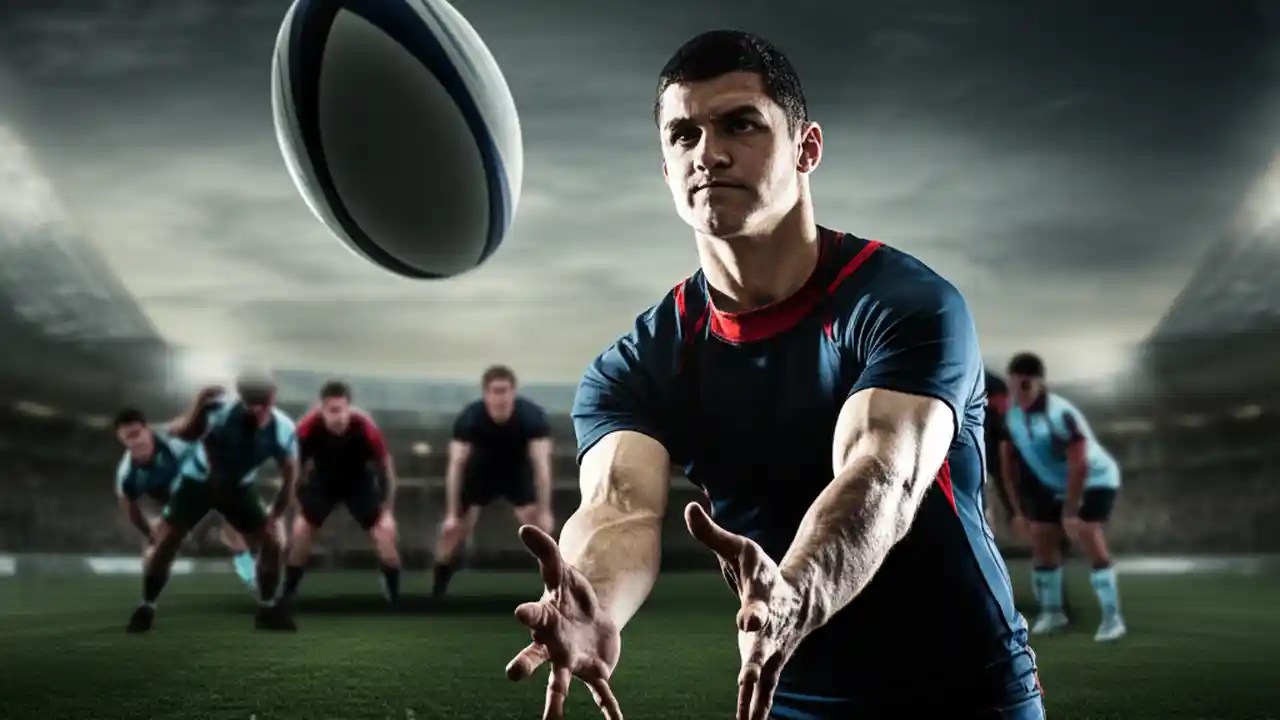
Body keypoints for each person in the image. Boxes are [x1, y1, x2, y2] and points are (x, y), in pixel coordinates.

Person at [502, 30, 1044, 720]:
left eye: (741, 124)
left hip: (966, 694)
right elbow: (618, 506)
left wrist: (798, 589)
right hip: (781, 694)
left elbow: (883, 475)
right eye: (683, 136)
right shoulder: (636, 364)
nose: (709, 154)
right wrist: (591, 599)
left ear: (807, 148)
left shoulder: (906, 303)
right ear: (666, 170)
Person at [125, 372, 300, 634]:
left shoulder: (283, 430)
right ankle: (146, 606)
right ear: (241, 398)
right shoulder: (218, 411)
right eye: (248, 401)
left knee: (271, 544)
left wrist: (275, 514)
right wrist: (198, 404)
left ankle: (267, 609)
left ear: (272, 399)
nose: (254, 409)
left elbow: (289, 479)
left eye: (261, 403)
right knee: (170, 539)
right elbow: (186, 433)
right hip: (199, 481)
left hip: (238, 487)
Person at [1001, 352, 1126, 642]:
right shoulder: (1013, 416)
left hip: (1095, 478)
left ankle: (1112, 618)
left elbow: (1079, 463)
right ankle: (1053, 612)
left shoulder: (1060, 414)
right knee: (1042, 538)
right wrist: (1018, 511)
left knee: (1085, 529)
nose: (1019, 394)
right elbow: (1007, 465)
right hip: (1054, 483)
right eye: (1014, 386)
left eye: (1025, 387)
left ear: (1040, 384)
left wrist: (1070, 510)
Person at [432, 365, 554, 599]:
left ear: (514, 391)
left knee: (539, 529)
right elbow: (455, 466)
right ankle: (438, 589)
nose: (501, 398)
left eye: (505, 391)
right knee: (453, 530)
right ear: (485, 393)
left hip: (516, 472)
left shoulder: (532, 417)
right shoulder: (469, 418)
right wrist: (451, 512)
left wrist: (545, 511)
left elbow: (542, 467)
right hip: (480, 472)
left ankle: (558, 589)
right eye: (495, 391)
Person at [282, 380, 402, 606]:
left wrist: (387, 509)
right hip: (323, 482)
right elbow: (293, 470)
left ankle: (393, 592)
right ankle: (288, 591)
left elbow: (386, 468)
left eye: (343, 410)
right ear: (322, 409)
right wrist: (297, 506)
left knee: (385, 532)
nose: (340, 417)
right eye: (333, 411)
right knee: (301, 531)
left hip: (358, 482)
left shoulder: (365, 427)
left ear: (350, 408)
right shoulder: (307, 428)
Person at [113, 406, 256, 589]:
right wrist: (149, 534)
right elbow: (130, 509)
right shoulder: (126, 474)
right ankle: (151, 594)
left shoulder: (176, 438)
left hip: (200, 489)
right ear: (122, 440)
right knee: (152, 554)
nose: (135, 442)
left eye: (137, 433)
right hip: (168, 504)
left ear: (148, 430)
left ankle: (252, 577)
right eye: (128, 438)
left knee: (231, 525)